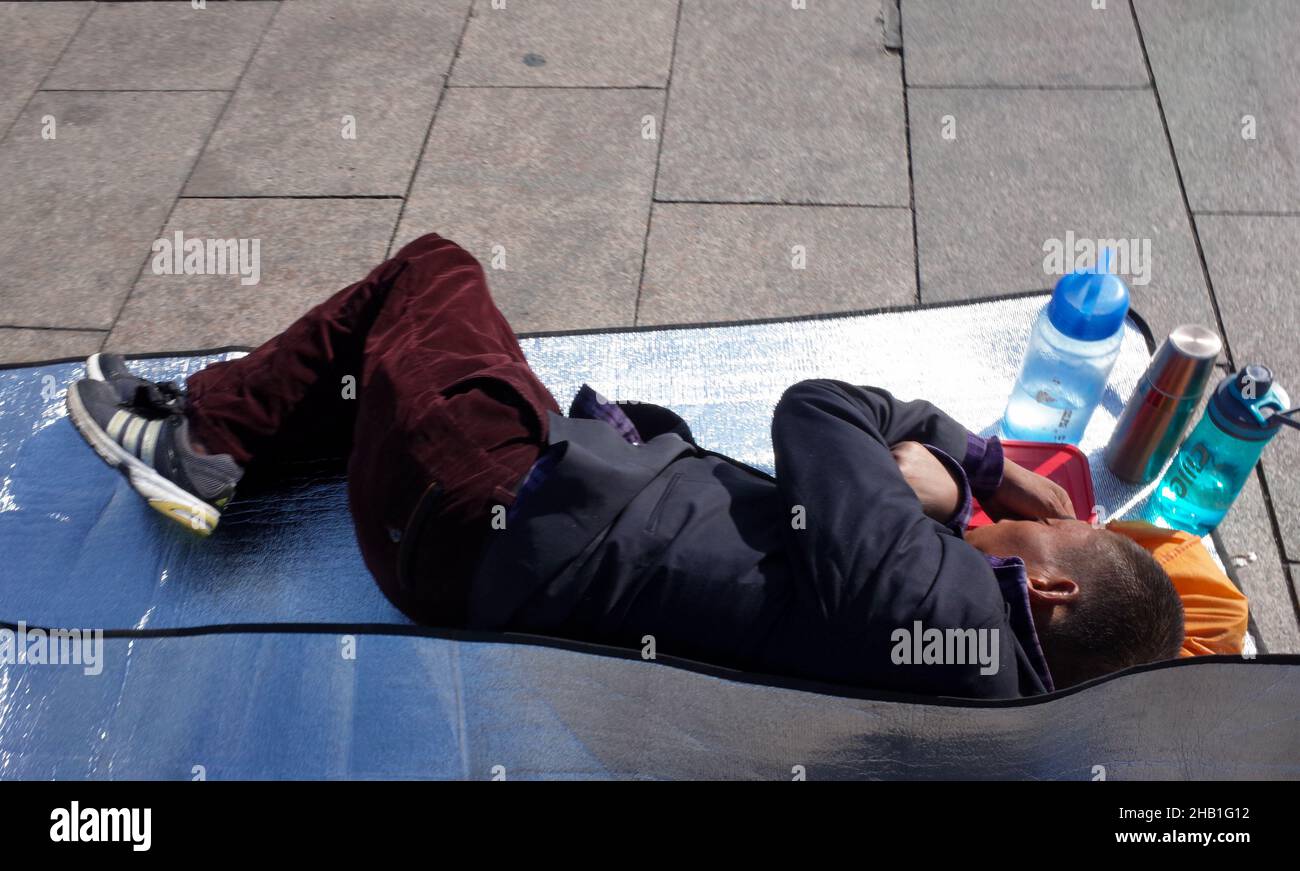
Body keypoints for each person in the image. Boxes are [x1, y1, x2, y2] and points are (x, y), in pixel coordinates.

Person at [65, 233, 1184, 699]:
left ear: (1049, 586)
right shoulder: (981, 676)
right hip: (532, 507)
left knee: (433, 272)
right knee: (408, 358)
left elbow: (820, 408)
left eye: (1051, 524)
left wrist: (979, 466)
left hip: (473, 513)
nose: (1023, 515)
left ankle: (207, 437)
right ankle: (237, 421)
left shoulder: (931, 595)